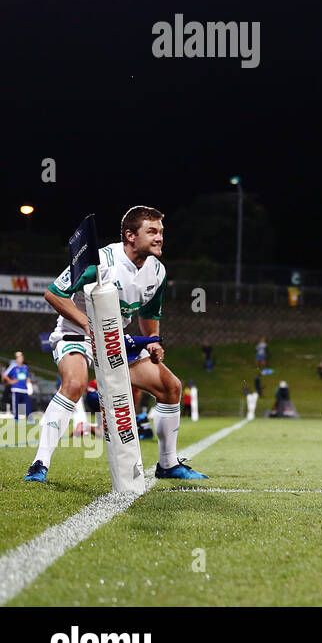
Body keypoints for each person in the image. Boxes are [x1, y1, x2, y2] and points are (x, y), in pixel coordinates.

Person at [25, 206, 207, 483]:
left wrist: (154, 342)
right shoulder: (100, 261)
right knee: (74, 384)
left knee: (171, 387)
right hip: (77, 333)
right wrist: (88, 324)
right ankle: (40, 464)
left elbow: (149, 313)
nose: (159, 238)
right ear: (130, 235)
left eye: (161, 232)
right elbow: (54, 294)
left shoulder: (157, 271)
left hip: (115, 339)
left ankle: (168, 465)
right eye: (152, 231)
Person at [3, 352, 31, 421]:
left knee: (28, 404)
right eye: (19, 358)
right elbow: (4, 375)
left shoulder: (25, 367)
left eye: (21, 358)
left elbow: (27, 378)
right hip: (16, 389)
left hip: (24, 389)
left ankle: (29, 419)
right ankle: (16, 418)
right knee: (16, 404)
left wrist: (29, 386)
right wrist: (10, 381)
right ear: (16, 359)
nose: (21, 359)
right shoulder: (13, 366)